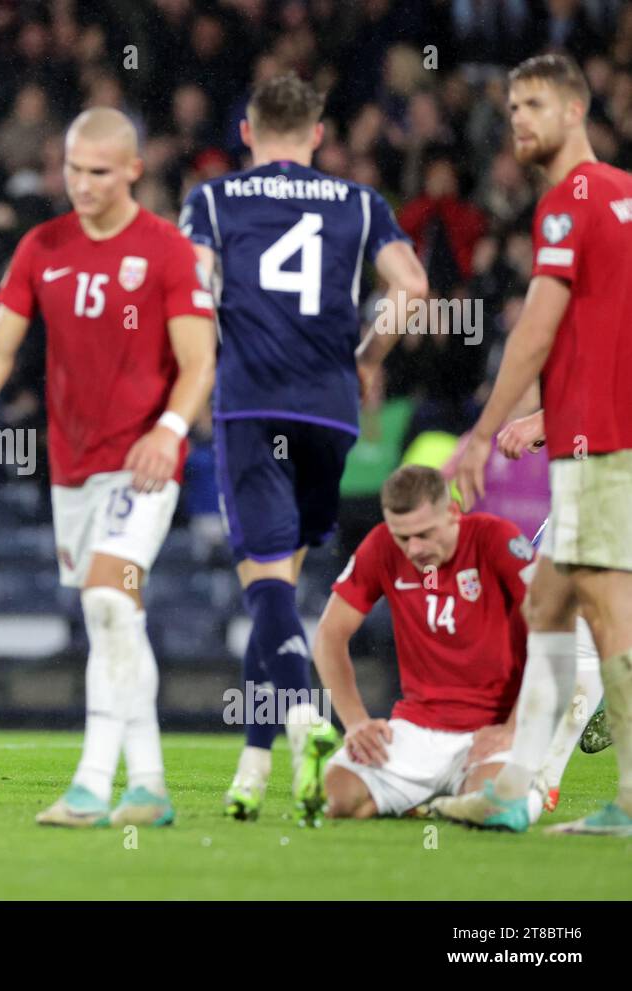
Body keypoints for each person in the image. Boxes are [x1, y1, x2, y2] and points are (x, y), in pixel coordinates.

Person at [0, 107, 217, 829]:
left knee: (108, 603)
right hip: (71, 467)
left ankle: (90, 784)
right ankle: (149, 785)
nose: (80, 184)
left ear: (132, 171)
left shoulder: (167, 250)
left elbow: (199, 360)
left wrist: (171, 430)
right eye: (71, 168)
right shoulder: (42, 246)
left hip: (145, 460)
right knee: (117, 618)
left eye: (96, 171)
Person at [180, 74, 429, 824]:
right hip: (330, 412)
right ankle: (255, 765)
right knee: (280, 579)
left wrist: (191, 387)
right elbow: (413, 286)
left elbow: (191, 290)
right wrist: (370, 355)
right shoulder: (360, 202)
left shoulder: (214, 199)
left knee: (266, 587)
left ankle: (304, 723)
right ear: (319, 135)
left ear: (248, 133)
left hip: (252, 402)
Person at [446, 53, 632, 836]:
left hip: (603, 452)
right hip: (598, 439)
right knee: (549, 602)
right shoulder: (626, 197)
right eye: (511, 105)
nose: (516, 118)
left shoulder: (569, 203)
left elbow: (539, 328)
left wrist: (483, 431)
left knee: (607, 619)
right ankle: (522, 786)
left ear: (572, 111)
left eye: (533, 104)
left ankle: (621, 798)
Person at [316, 466, 534, 818]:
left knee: (495, 808)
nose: (414, 549)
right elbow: (329, 634)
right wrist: (355, 721)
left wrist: (515, 728)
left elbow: (553, 633)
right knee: (339, 797)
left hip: (492, 729)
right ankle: (429, 802)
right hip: (416, 728)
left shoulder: (495, 538)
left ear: (452, 512)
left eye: (424, 534)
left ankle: (418, 801)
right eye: (403, 537)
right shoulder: (382, 546)